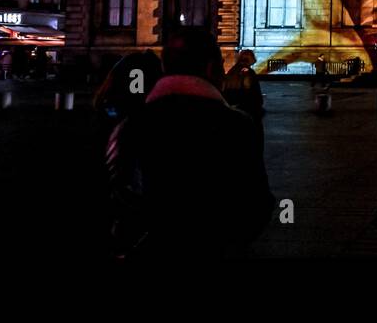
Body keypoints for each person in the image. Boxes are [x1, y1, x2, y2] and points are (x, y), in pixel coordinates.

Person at [106, 29, 273, 262]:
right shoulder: (237, 125)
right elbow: (257, 205)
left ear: (165, 66)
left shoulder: (129, 126)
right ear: (209, 69)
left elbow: (118, 201)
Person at [221, 49, 264, 124]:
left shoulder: (232, 71)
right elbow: (253, 93)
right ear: (251, 60)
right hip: (245, 109)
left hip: (230, 107)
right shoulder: (250, 73)